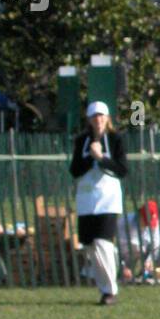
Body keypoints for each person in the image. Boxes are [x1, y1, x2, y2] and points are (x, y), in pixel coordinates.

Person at [69, 101, 129, 306]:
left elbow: (122, 169)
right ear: (89, 120)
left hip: (108, 200)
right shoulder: (81, 140)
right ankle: (104, 284)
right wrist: (90, 159)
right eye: (94, 116)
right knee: (90, 245)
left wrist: (101, 158)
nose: (98, 119)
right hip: (86, 198)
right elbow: (74, 169)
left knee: (103, 242)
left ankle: (109, 290)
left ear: (107, 117)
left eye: (101, 115)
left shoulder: (115, 139)